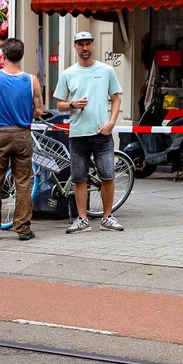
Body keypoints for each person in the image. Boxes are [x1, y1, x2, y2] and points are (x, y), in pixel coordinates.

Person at [54, 31, 124, 234]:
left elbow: (116, 98)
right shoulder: (68, 73)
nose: (84, 48)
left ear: (93, 46)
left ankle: (107, 217)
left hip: (102, 132)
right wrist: (72, 104)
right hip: (78, 133)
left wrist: (111, 122)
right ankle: (82, 219)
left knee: (107, 175)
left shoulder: (106, 70)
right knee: (79, 178)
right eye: (80, 44)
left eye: (88, 44)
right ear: (75, 47)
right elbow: (59, 104)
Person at [0, 38, 42, 241]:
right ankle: (23, 228)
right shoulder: (32, 80)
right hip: (22, 135)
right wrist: (22, 114)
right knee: (23, 184)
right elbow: (40, 110)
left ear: (3, 54)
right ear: (21, 56)